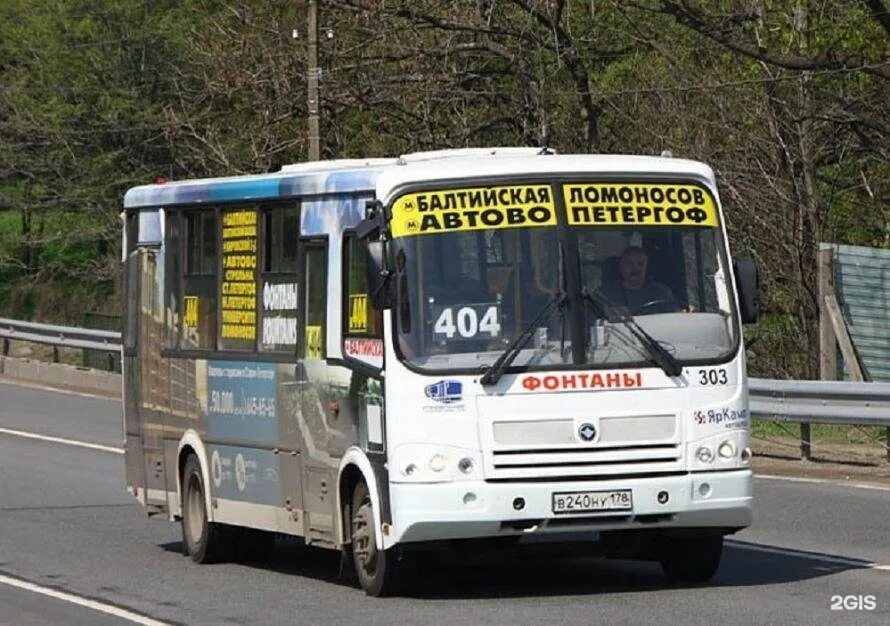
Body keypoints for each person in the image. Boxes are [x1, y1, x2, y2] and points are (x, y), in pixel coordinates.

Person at [601, 246, 678, 314]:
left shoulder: (661, 293)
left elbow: (673, 321)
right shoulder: (604, 295)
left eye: (640, 264)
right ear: (621, 266)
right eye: (630, 264)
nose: (636, 268)